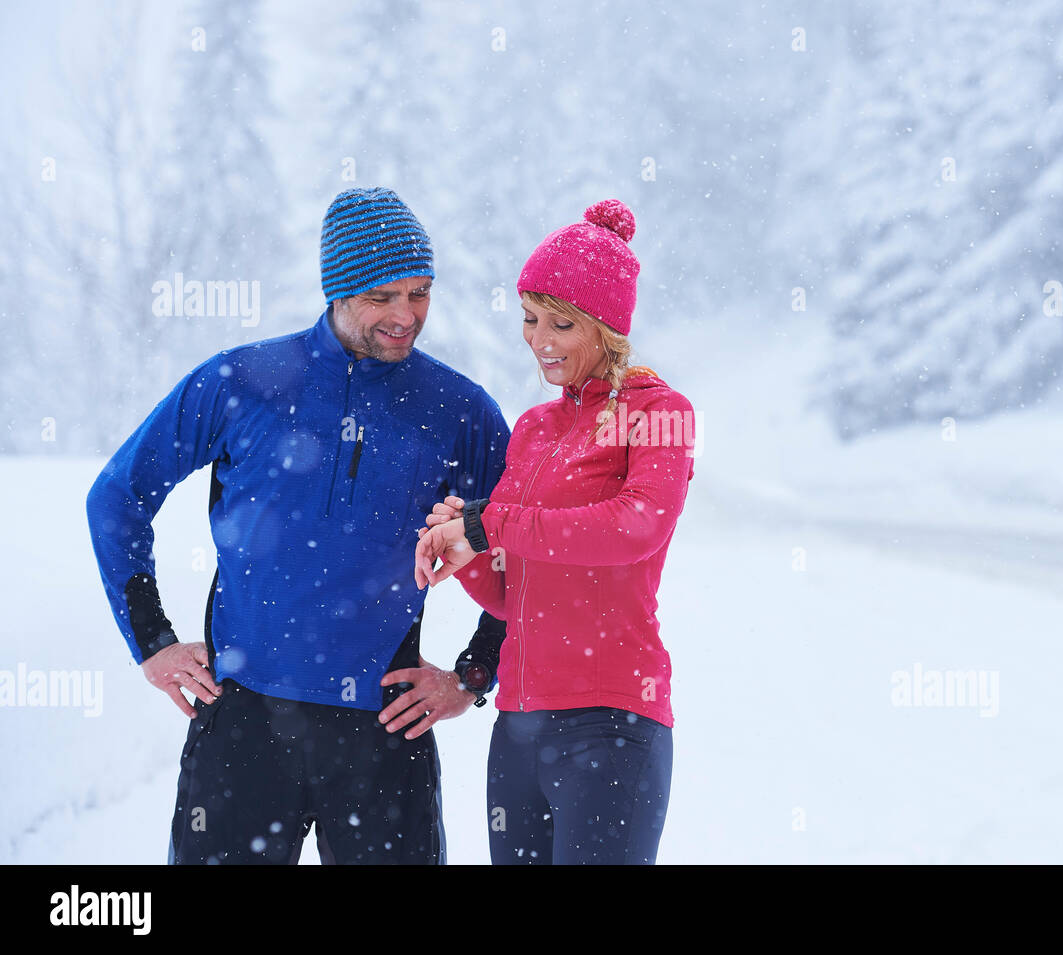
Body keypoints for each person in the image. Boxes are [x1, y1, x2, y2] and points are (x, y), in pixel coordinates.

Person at [86, 187, 510, 864]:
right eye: (383, 295)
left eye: (420, 292)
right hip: (243, 728)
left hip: (384, 734)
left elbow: (529, 543)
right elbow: (117, 497)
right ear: (338, 290)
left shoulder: (458, 408)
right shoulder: (241, 382)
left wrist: (473, 673)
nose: (407, 315)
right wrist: (152, 639)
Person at [414, 199, 695, 864]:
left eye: (562, 323)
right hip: (518, 725)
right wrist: (464, 553)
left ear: (607, 328)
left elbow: (636, 528)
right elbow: (516, 591)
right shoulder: (536, 427)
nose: (539, 338)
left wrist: (490, 522)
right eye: (530, 318)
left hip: (611, 722)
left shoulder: (661, 413)